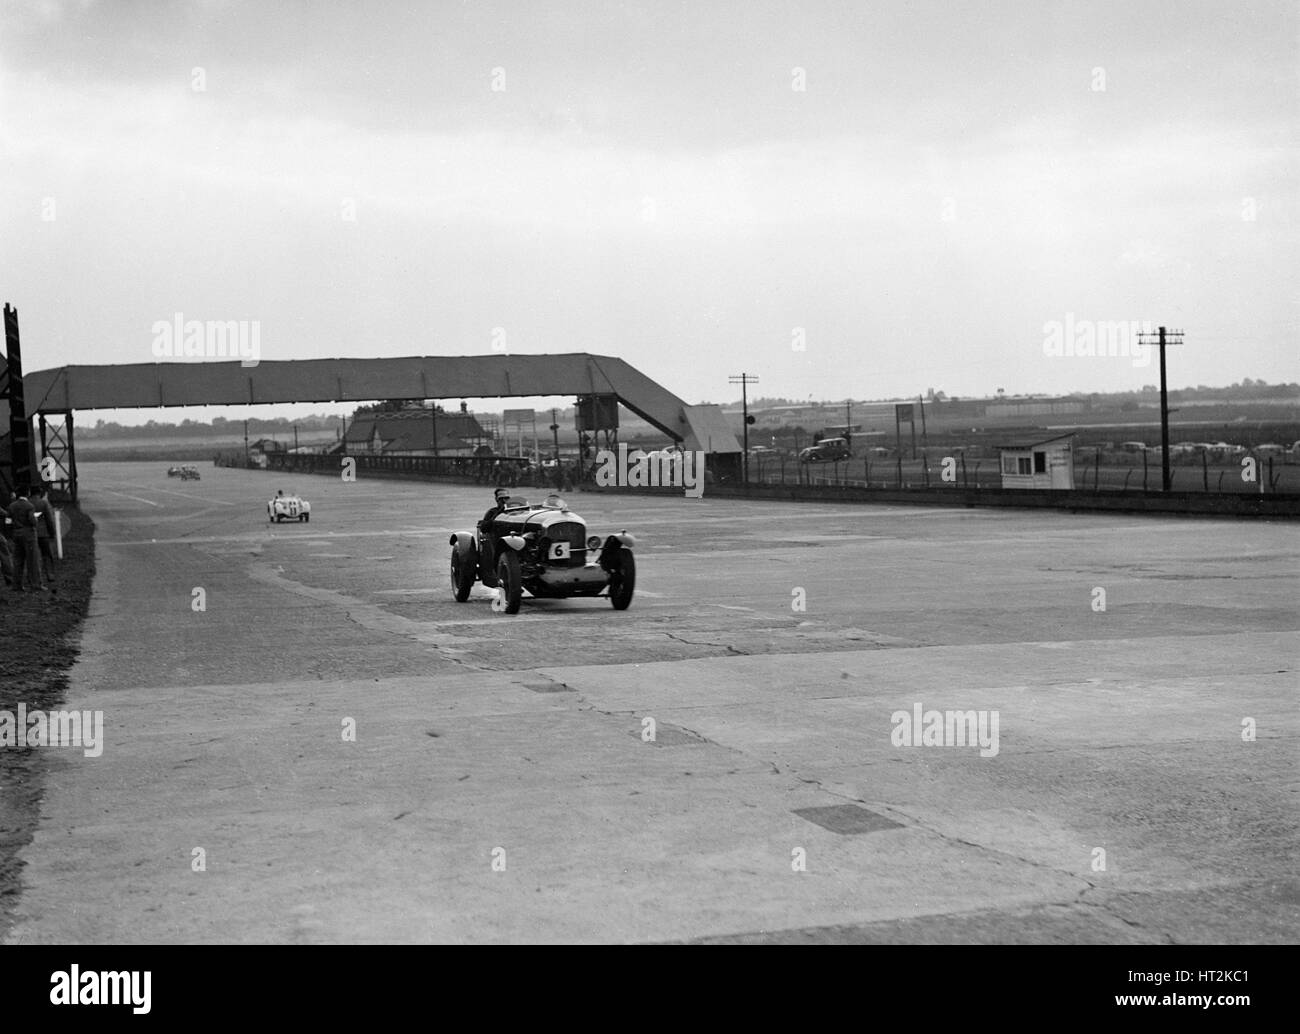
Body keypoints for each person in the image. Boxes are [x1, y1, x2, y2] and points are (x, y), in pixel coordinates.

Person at [6, 486, 45, 593]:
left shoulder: (11, 506)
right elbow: (32, 521)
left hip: (16, 534)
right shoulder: (29, 506)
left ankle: (16, 585)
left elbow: (8, 521)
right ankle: (35, 584)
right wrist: (36, 519)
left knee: (18, 560)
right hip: (29, 535)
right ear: (27, 493)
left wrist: (11, 533)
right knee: (32, 560)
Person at [29, 484, 58, 592]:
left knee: (33, 557)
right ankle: (50, 574)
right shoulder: (43, 503)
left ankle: (33, 576)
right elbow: (49, 519)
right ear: (39, 493)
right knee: (47, 555)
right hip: (44, 533)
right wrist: (52, 533)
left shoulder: (28, 503)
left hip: (31, 533)